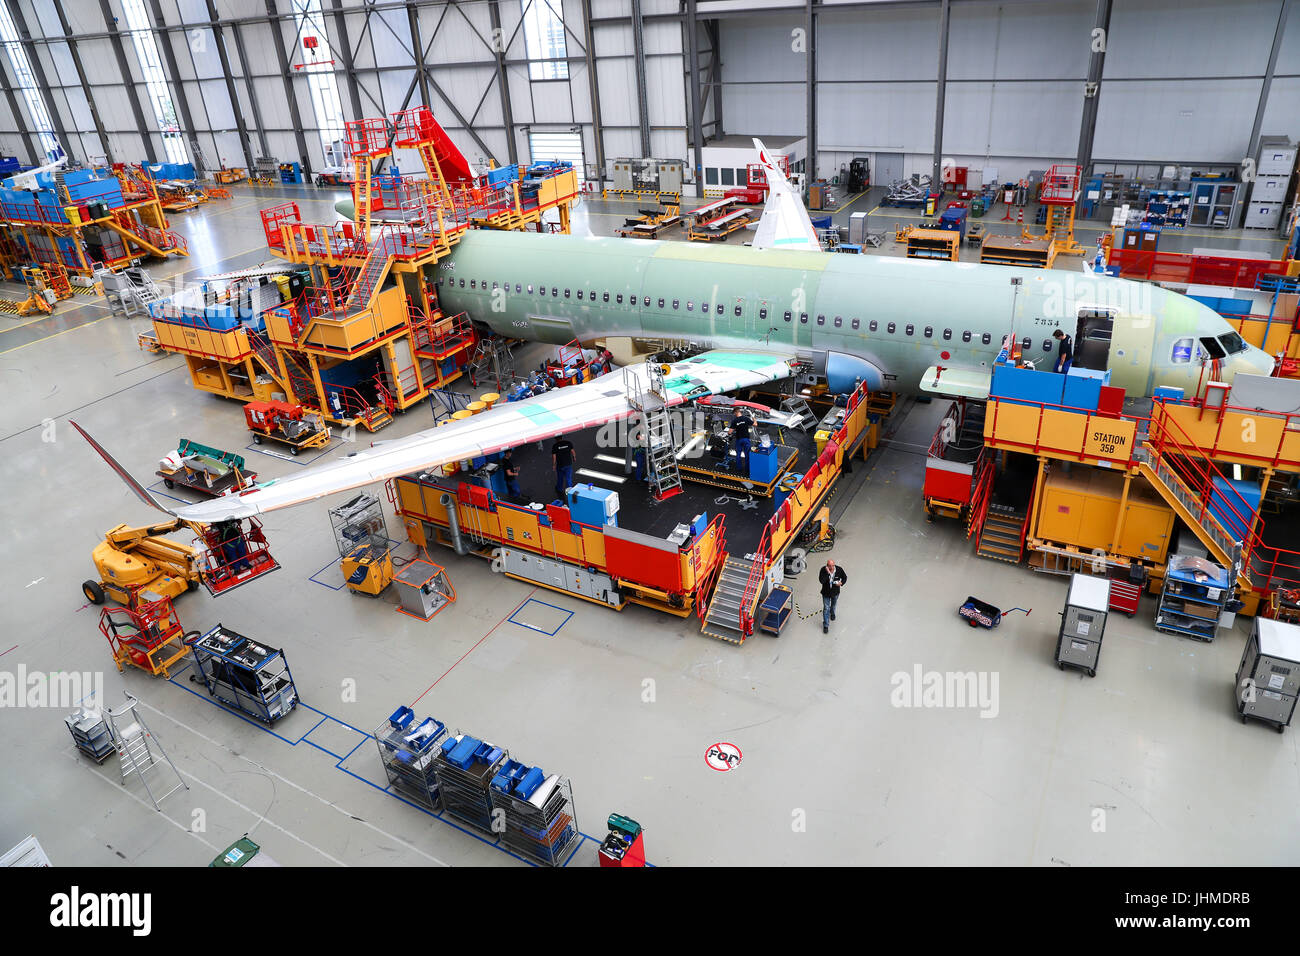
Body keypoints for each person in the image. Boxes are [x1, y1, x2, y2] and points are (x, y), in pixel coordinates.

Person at [818, 559, 847, 634]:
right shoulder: (823, 570)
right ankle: (826, 625)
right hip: (826, 593)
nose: (831, 567)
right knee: (826, 608)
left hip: (835, 592)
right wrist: (828, 573)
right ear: (827, 566)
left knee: (833, 604)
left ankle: (832, 613)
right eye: (829, 566)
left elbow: (845, 577)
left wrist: (841, 583)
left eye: (832, 566)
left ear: (834, 565)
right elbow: (821, 581)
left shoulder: (839, 570)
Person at [552, 434, 576, 498]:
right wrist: (574, 457)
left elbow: (554, 457)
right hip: (568, 464)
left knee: (560, 478)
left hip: (560, 465)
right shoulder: (568, 443)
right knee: (568, 478)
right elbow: (573, 451)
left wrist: (554, 465)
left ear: (555, 439)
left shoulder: (555, 446)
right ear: (562, 437)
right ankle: (570, 491)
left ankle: (559, 489)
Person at [731, 410, 752, 475]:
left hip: (739, 440)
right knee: (747, 455)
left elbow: (730, 432)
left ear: (735, 413)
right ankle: (747, 470)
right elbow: (755, 424)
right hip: (746, 439)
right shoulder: (746, 418)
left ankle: (739, 469)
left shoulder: (734, 421)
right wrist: (753, 417)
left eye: (734, 414)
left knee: (738, 455)